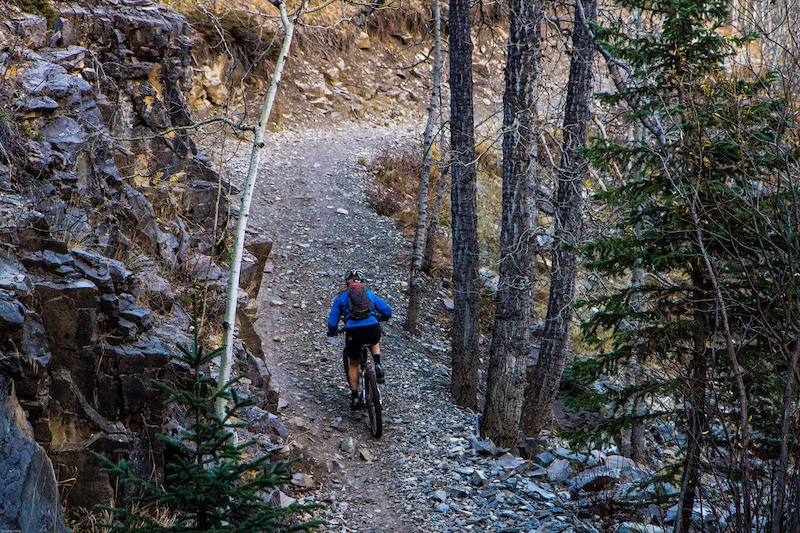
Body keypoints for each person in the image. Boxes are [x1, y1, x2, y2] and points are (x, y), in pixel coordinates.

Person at [327, 269, 392, 410]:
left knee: (353, 363)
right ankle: (377, 363)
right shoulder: (368, 293)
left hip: (354, 333)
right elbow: (387, 311)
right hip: (373, 329)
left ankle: (355, 397)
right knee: (374, 340)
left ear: (346, 283)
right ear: (362, 282)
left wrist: (332, 332)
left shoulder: (341, 298)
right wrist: (379, 318)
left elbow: (333, 322)